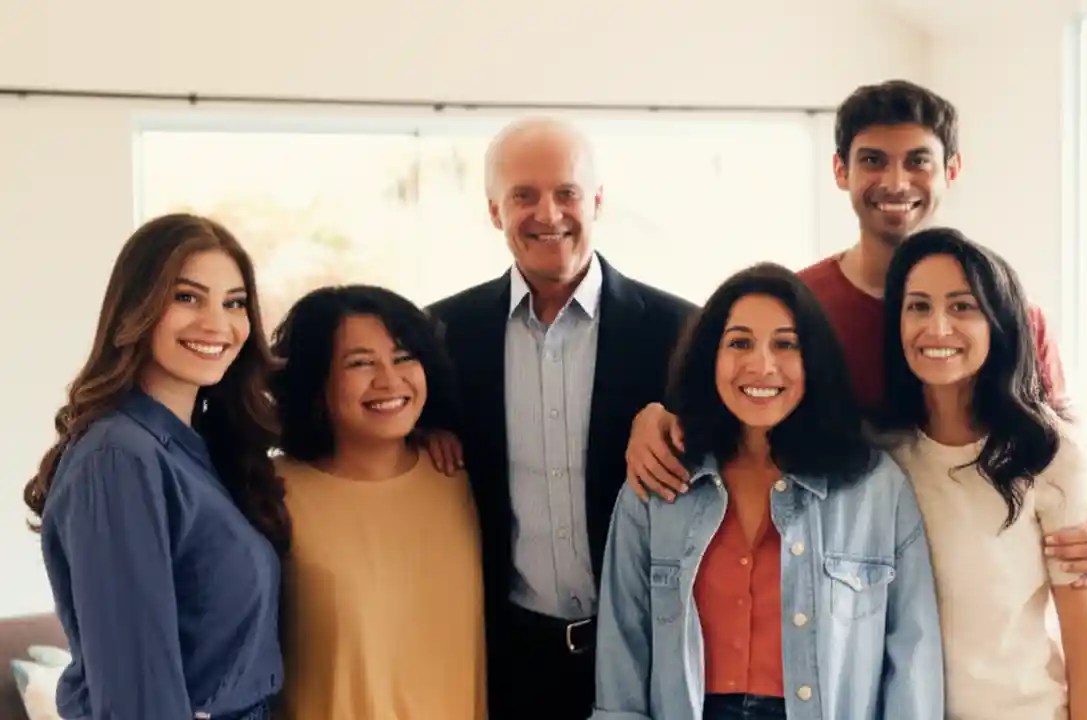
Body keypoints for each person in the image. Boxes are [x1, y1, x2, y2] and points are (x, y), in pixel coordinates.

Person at [624, 79, 1087, 582]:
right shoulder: (798, 307)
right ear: (841, 171)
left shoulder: (1012, 318)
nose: (895, 181)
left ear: (952, 170)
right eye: (872, 160)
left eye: (918, 161)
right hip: (833, 587)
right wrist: (656, 417)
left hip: (979, 591)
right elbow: (729, 417)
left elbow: (1065, 456)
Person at [422, 117, 696, 719]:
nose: (548, 214)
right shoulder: (440, 335)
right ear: (495, 210)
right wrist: (422, 435)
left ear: (597, 202)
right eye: (524, 195)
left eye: (567, 192)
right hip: (507, 661)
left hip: (647, 652)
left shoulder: (682, 332)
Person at [592, 263, 944, 720]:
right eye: (739, 342)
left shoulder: (874, 489)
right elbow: (623, 648)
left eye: (785, 344)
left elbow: (913, 658)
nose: (761, 365)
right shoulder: (660, 479)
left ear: (811, 360)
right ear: (709, 358)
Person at [22, 213, 288, 720]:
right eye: (187, 297)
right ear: (137, 308)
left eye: (234, 303)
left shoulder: (196, 450)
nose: (217, 323)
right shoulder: (119, 456)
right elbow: (135, 693)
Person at [882, 227, 1087, 719]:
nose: (937, 327)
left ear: (999, 323)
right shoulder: (880, 454)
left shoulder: (1049, 454)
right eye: (918, 306)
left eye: (963, 306)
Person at [268, 284, 483, 719]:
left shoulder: (461, 477)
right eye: (360, 363)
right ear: (316, 382)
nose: (389, 379)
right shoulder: (271, 494)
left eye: (403, 357)